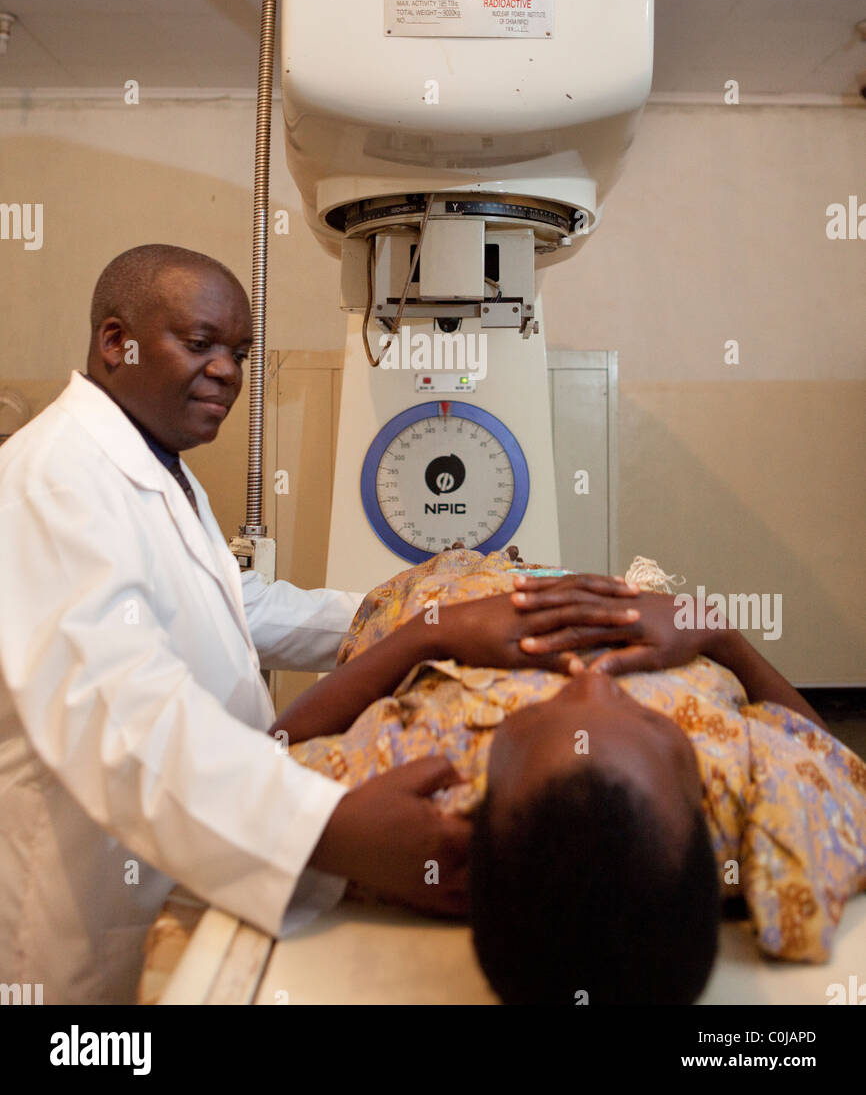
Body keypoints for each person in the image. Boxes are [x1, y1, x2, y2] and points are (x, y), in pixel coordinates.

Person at [0, 244, 638, 1004]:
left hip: (199, 844)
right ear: (117, 342)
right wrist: (327, 828)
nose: (227, 371)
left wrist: (422, 612)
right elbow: (113, 714)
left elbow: (244, 604)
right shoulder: (54, 477)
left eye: (238, 351)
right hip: (93, 896)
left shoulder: (154, 466)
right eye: (198, 344)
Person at [274, 548, 866, 1005]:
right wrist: (717, 633)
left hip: (451, 592)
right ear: (703, 813)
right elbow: (835, 765)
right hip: (634, 607)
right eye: (651, 724)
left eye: (540, 717)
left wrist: (429, 633)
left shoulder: (416, 800)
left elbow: (266, 762)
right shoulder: (759, 814)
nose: (590, 683)